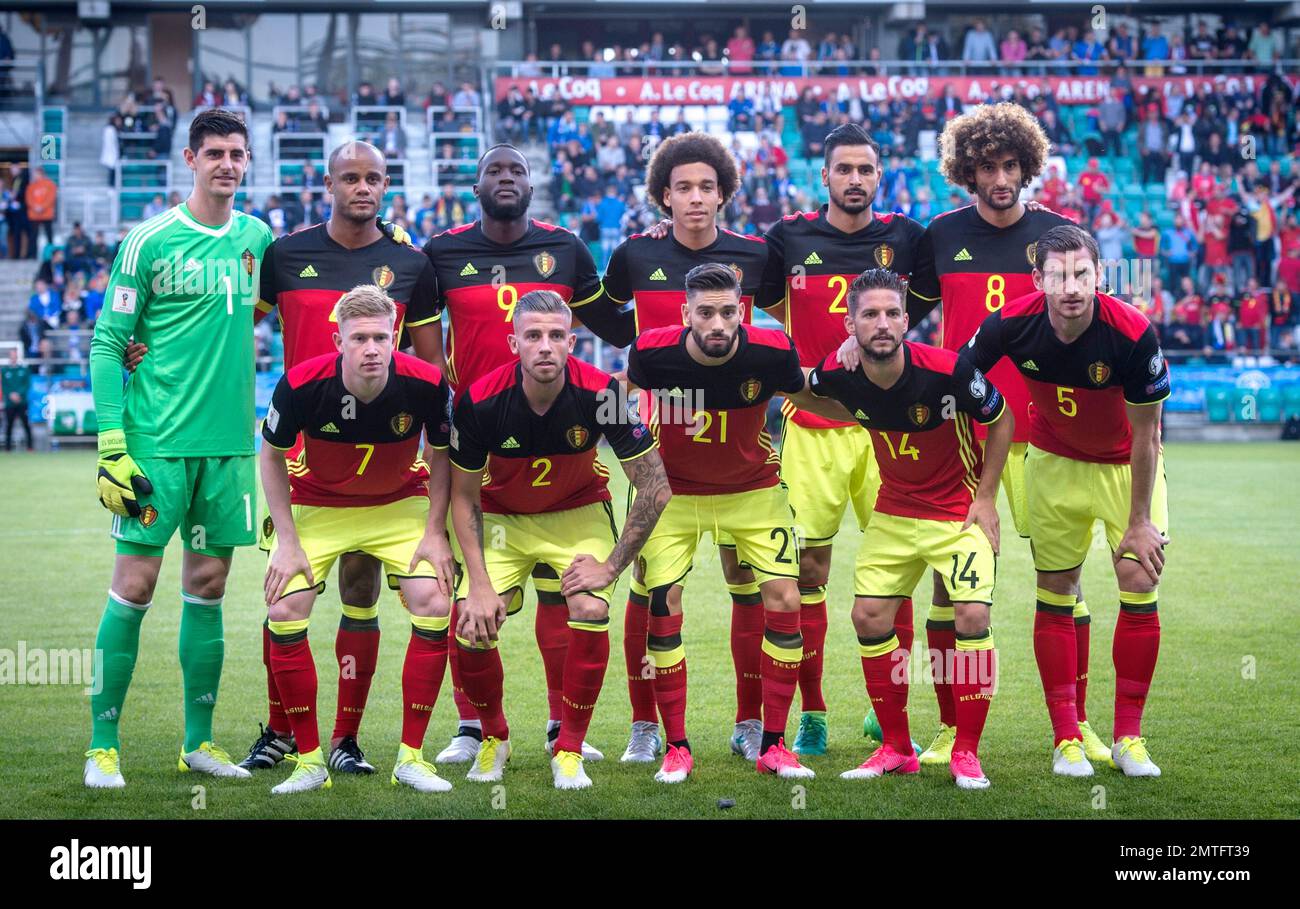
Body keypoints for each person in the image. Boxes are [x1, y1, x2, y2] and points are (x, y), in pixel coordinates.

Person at [872, 102, 1106, 765]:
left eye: (1009, 165)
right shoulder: (940, 235)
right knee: (952, 586)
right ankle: (950, 728)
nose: (1000, 178)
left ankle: (1074, 726)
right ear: (964, 172)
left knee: (1063, 581)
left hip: (1049, 432)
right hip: (962, 435)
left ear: (1027, 165)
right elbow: (893, 307)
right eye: (985, 167)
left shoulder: (1064, 234)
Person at [82, 109, 274, 789]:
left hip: (227, 448)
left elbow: (261, 310)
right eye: (215, 152)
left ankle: (199, 740)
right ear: (190, 159)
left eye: (238, 153)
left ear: (248, 162)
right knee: (134, 585)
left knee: (209, 585)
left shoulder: (257, 238)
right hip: (156, 444)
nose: (227, 163)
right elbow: (109, 342)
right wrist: (112, 445)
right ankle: (103, 745)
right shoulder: (149, 241)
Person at [570, 133, 775, 764]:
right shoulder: (634, 254)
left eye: (707, 187)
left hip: (741, 440)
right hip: (666, 444)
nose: (695, 198)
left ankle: (749, 721)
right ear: (664, 194)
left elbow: (788, 329)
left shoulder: (754, 255)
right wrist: (623, 398)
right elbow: (603, 323)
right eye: (682, 187)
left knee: (747, 580)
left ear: (724, 194)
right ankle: (644, 723)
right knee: (653, 585)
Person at [786, 268, 1011, 788]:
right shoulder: (840, 374)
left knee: (972, 616)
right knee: (867, 617)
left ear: (907, 320)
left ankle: (966, 751)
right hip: (893, 513)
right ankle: (894, 747)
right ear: (851, 324)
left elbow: (1000, 419)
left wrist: (986, 498)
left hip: (957, 512)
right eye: (870, 315)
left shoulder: (949, 371)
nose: (882, 323)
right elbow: (801, 389)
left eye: (891, 313)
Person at [422, 143, 607, 766]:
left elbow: (613, 323)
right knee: (465, 594)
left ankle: (561, 724)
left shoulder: (567, 248)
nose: (506, 179)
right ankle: (472, 728)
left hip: (554, 440)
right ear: (475, 186)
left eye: (517, 170)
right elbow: (411, 334)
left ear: (533, 184)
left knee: (564, 592)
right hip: (474, 440)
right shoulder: (442, 252)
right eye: (494, 171)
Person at [963, 224, 1171, 778]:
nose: (1071, 286)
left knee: (1138, 580)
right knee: (1055, 590)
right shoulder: (1012, 322)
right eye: (1057, 275)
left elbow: (1148, 436)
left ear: (1098, 275)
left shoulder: (1131, 332)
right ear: (1039, 279)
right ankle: (1066, 740)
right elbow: (958, 375)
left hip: (1126, 470)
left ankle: (1129, 738)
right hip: (1052, 465)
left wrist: (1141, 520)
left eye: (1082, 273)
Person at [751, 124, 926, 755]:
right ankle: (814, 713)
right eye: (843, 169)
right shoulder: (788, 239)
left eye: (866, 170)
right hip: (813, 431)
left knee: (897, 572)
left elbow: (923, 309)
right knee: (809, 571)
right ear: (823, 177)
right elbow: (753, 292)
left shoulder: (907, 239)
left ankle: (890, 712)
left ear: (880, 177)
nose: (855, 179)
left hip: (893, 432)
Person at [451, 290, 670, 789]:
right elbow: (463, 499)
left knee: (590, 608)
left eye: (555, 336)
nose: (545, 346)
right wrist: (480, 585)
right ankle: (494, 737)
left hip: (576, 513)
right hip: (504, 519)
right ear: (514, 343)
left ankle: (568, 747)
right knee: (470, 621)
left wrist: (611, 566)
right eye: (533, 336)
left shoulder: (604, 394)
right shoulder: (480, 399)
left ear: (572, 341)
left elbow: (656, 485)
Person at [260, 285, 454, 794]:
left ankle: (411, 757)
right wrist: (287, 540)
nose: (372, 348)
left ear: (395, 338)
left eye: (381, 337)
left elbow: (443, 454)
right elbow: (270, 456)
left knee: (434, 600)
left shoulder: (427, 384)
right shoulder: (302, 384)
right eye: (359, 338)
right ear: (338, 340)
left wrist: (435, 532)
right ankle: (309, 761)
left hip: (397, 503)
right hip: (317, 503)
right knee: (284, 610)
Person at [624, 262, 814, 783]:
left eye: (728, 312)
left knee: (785, 598)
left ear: (742, 312)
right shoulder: (650, 353)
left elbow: (810, 395)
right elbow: (623, 412)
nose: (717, 324)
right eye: (705, 313)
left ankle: (771, 740)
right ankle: (675, 744)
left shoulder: (773, 351)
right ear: (686, 313)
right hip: (675, 496)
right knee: (662, 602)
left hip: (751, 492)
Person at [2, 347, 33, 451]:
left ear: (17, 356)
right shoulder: (4, 370)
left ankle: (30, 447)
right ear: (9, 356)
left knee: (26, 425)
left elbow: (27, 384)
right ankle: (8, 448)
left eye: (15, 355)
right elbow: (4, 386)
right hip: (10, 403)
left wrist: (19, 394)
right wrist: (11, 395)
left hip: (22, 401)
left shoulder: (24, 370)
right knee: (9, 425)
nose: (13, 357)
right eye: (12, 355)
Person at [24, 165, 56, 253]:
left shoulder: (50, 184)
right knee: (33, 236)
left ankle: (51, 255)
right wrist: (35, 207)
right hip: (34, 215)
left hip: (46, 214)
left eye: (36, 174)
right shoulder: (31, 186)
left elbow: (51, 198)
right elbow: (28, 198)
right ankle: (32, 255)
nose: (35, 176)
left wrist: (42, 207)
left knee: (49, 235)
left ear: (41, 174)